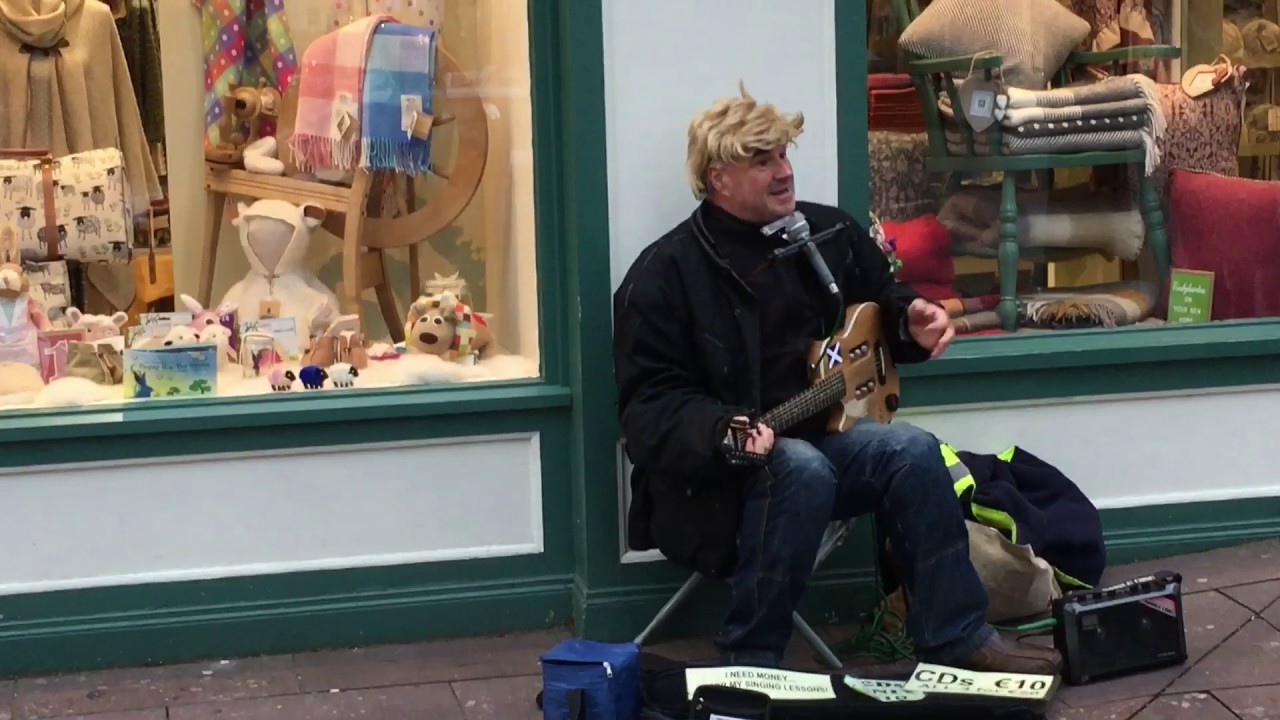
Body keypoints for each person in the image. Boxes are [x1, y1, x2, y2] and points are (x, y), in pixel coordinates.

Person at [612, 83, 1062, 674]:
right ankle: (750, 661)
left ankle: (956, 640)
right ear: (717, 177)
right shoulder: (665, 274)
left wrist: (913, 322)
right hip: (720, 479)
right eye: (761, 159)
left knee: (913, 450)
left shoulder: (827, 233)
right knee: (800, 467)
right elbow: (648, 408)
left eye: (784, 155)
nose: (783, 172)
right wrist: (723, 429)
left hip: (824, 440)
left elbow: (884, 306)